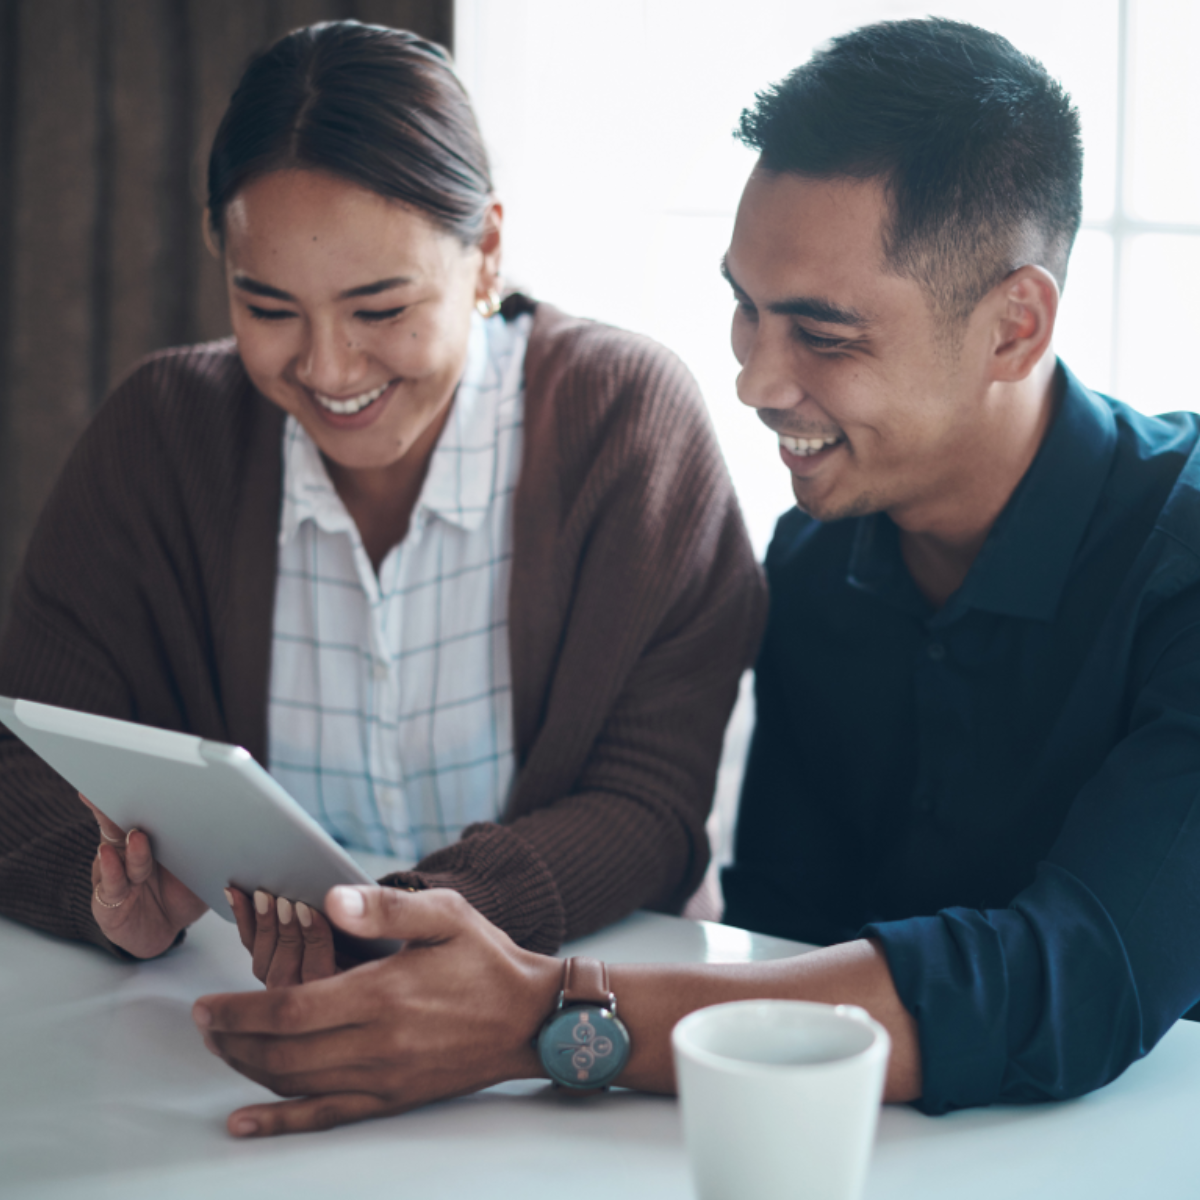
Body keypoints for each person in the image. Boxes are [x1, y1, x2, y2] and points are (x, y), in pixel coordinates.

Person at [190, 16, 1200, 1136]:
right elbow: (775, 941)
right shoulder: (817, 561)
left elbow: (1075, 981)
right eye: (746, 308)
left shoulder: (1185, 554)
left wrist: (542, 1016)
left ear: (1016, 325)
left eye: (822, 333)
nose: (755, 379)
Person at [0, 23, 762, 967]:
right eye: (268, 308)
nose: (327, 367)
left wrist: (399, 928)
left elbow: (652, 806)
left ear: (485, 250)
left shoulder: (627, 423)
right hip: (214, 1013)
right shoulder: (160, 434)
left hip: (557, 1025)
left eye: (381, 310)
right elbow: (27, 762)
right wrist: (109, 884)